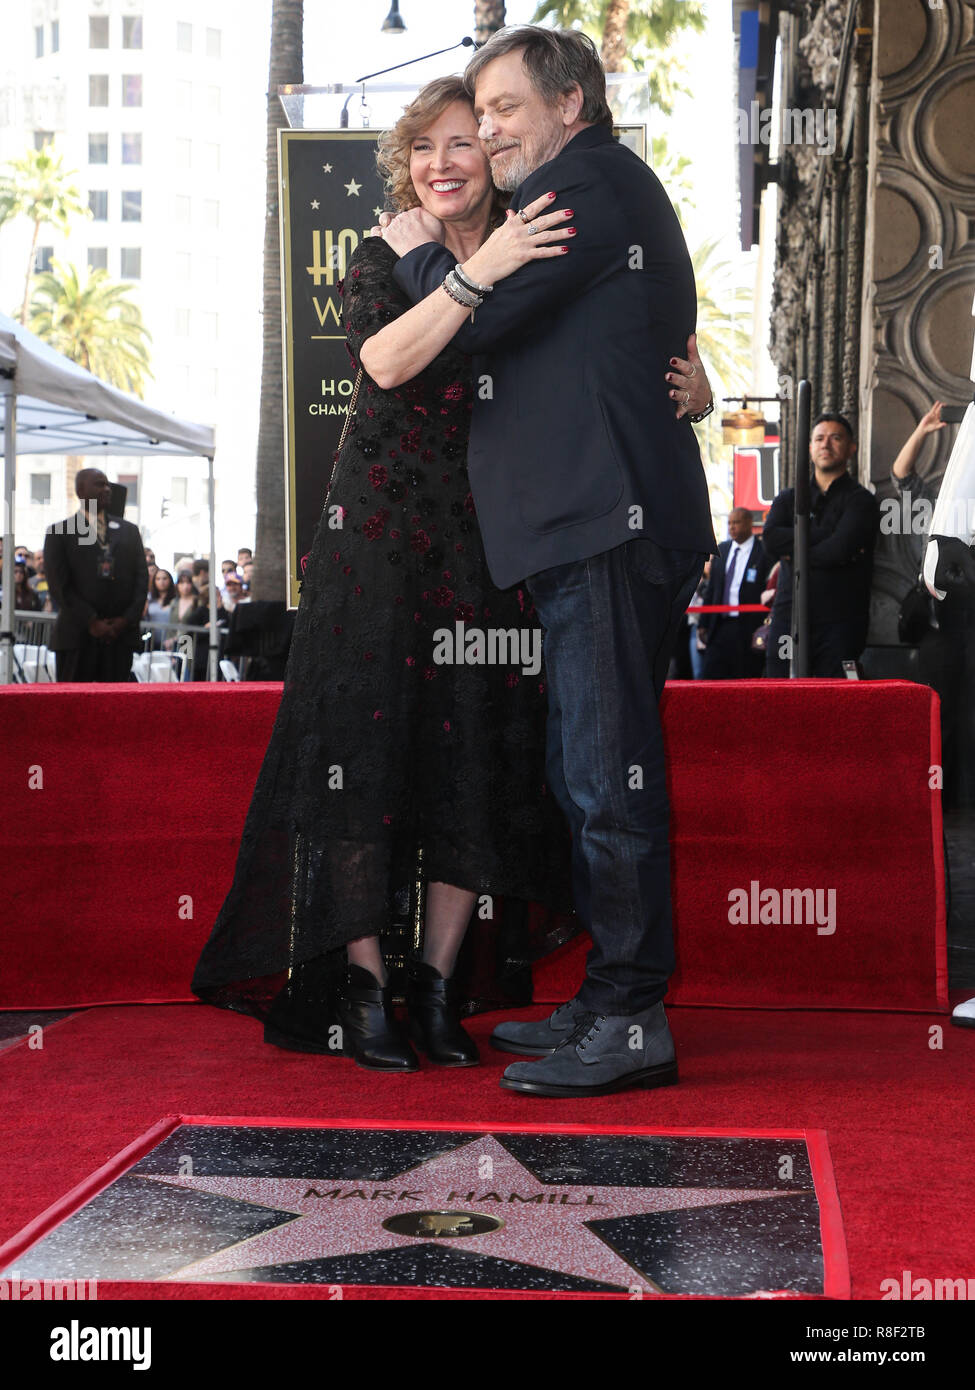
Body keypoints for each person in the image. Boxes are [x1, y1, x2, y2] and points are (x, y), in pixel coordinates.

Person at [192, 67, 712, 1076]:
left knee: (495, 768)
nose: (447, 158)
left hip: (493, 547)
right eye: (427, 145)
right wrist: (456, 265)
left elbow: (607, 320)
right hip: (382, 543)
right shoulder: (397, 253)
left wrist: (697, 384)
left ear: (524, 138)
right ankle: (371, 992)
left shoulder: (546, 219)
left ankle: (459, 990)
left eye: (474, 134)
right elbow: (391, 362)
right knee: (384, 764)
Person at [386, 25, 716, 1097]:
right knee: (589, 773)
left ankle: (630, 1016)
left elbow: (481, 320)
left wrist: (420, 258)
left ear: (571, 103)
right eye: (477, 116)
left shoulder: (581, 187)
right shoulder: (584, 190)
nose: (486, 133)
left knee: (607, 775)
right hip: (589, 529)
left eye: (505, 110)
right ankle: (610, 993)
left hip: (607, 528)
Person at [762, 413, 880, 677]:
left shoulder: (861, 501)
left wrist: (794, 550)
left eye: (835, 438)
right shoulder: (788, 499)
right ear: (810, 448)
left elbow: (838, 550)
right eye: (819, 438)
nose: (826, 444)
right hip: (787, 615)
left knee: (834, 706)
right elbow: (770, 541)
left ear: (851, 447)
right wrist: (826, 533)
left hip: (840, 622)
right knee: (777, 700)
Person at [43, 468, 148, 682]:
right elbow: (59, 586)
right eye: (99, 484)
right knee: (74, 707)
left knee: (115, 707)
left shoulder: (129, 531)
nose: (107, 489)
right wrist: (91, 621)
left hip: (119, 638)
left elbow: (141, 580)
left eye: (107, 484)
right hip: (77, 636)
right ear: (81, 490)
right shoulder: (60, 533)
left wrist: (125, 620)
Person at [698, 508, 772, 678]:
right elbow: (712, 590)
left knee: (744, 675)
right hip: (721, 625)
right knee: (710, 675)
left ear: (749, 524)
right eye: (730, 523)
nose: (732, 527)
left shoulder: (763, 552)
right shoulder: (722, 550)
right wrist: (703, 623)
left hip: (748, 626)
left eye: (736, 522)